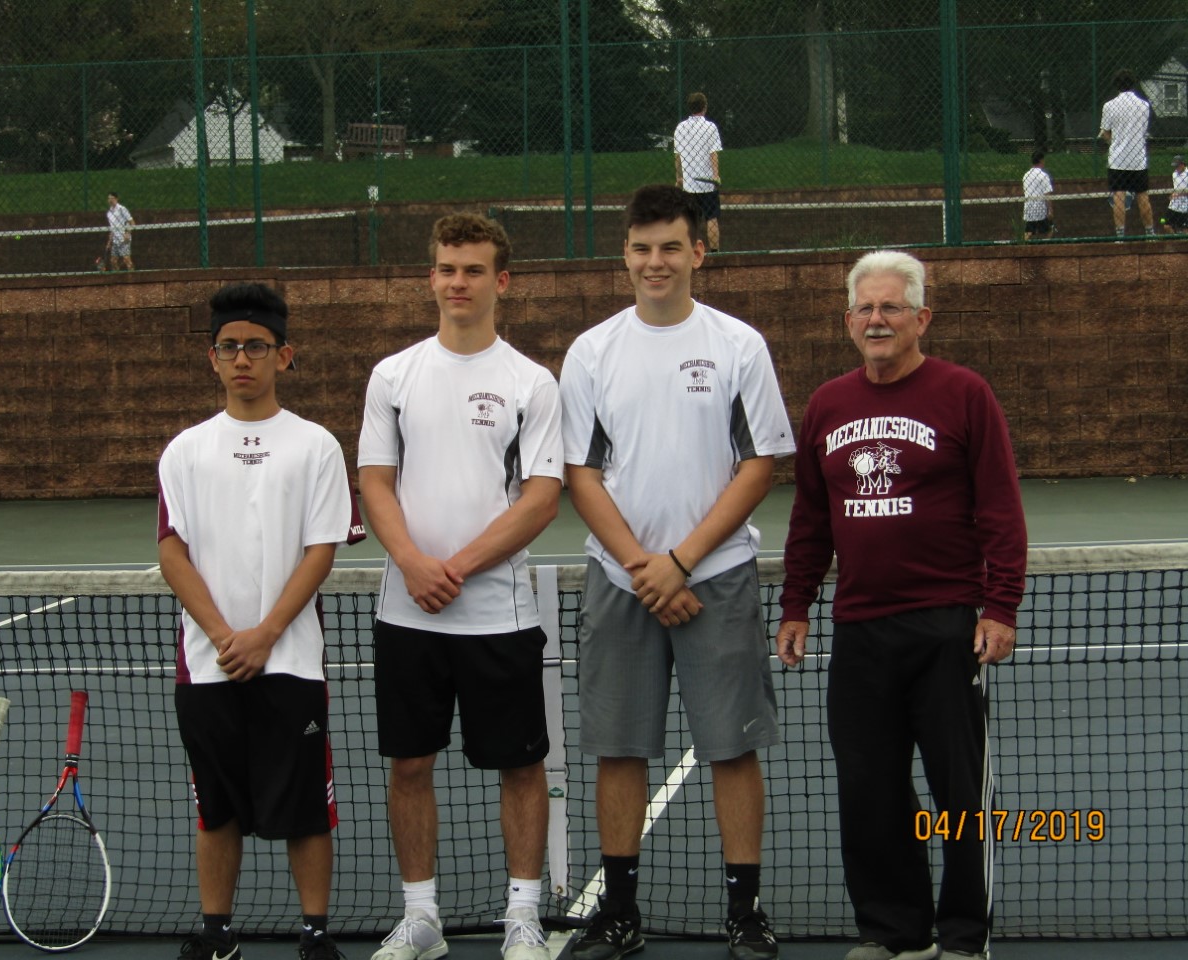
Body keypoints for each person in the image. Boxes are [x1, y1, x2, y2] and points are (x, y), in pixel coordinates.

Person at [559, 184, 794, 960]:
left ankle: (746, 914)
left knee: (732, 747)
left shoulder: (739, 345)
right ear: (624, 255)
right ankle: (620, 913)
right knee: (619, 748)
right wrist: (640, 565)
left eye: (670, 247)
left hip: (717, 575)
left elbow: (760, 462)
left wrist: (682, 562)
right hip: (621, 579)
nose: (654, 262)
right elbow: (580, 472)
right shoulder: (592, 351)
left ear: (698, 252)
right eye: (641, 248)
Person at [776, 251, 1028, 960]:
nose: (877, 319)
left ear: (922, 318)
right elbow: (811, 520)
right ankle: (895, 931)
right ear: (849, 319)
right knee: (870, 790)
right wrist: (797, 605)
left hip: (948, 625)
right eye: (866, 308)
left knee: (957, 793)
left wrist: (999, 605)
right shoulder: (827, 404)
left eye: (892, 308)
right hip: (859, 630)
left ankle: (964, 935)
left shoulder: (964, 393)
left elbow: (1001, 510)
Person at [357, 213, 564, 960]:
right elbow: (375, 481)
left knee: (520, 765)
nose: (458, 282)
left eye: (473, 269)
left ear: (500, 281)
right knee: (409, 765)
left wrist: (459, 566)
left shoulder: (531, 383)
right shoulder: (394, 376)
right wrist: (412, 562)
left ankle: (522, 917)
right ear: (430, 277)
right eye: (447, 268)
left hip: (499, 616)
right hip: (407, 616)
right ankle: (421, 919)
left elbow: (543, 496)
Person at [158, 282, 364, 960]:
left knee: (307, 806)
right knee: (216, 809)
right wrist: (224, 638)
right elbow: (172, 550)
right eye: (229, 346)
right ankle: (218, 936)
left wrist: (266, 635)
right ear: (211, 358)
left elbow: (321, 549)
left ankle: (314, 936)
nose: (242, 358)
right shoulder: (184, 451)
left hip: (292, 663)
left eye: (256, 346)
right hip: (208, 666)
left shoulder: (316, 447)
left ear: (285, 356)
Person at [1100, 68, 1155, 238]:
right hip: (1138, 158)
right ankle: (1150, 234)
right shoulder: (1144, 106)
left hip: (1117, 158)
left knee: (1119, 194)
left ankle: (1120, 235)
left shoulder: (1109, 106)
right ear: (1132, 83)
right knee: (1142, 195)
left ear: (1116, 85)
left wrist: (1113, 141)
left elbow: (1105, 132)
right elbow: (1142, 130)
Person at [673, 92, 723, 252]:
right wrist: (715, 176)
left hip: (689, 183)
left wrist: (679, 177)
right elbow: (713, 154)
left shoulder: (680, 128)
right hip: (707, 182)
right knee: (711, 217)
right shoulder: (710, 127)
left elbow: (678, 156)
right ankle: (715, 252)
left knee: (691, 220)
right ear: (705, 106)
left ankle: (689, 251)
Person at [1021, 149, 1054, 241]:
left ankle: (1025, 249)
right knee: (1050, 230)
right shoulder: (1043, 175)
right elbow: (1047, 194)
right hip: (1041, 209)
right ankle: (1044, 248)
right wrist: (1050, 210)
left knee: (1028, 232)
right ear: (1041, 160)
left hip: (1029, 208)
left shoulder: (1026, 175)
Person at [107, 192, 135, 270]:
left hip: (124, 239)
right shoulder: (109, 213)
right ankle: (117, 278)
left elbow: (132, 222)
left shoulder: (122, 209)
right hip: (115, 240)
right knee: (113, 261)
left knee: (126, 259)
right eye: (109, 198)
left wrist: (128, 233)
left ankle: (133, 277)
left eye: (112, 198)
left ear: (116, 199)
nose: (110, 200)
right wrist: (109, 242)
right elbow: (112, 229)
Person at [1164, 154, 1188, 234]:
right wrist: (1173, 194)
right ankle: (1176, 238)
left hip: (1185, 206)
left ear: (1182, 164)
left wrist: (1179, 194)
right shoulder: (1174, 174)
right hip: (1174, 205)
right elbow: (1176, 188)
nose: (1176, 168)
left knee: (1185, 230)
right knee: (1166, 226)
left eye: (1177, 166)